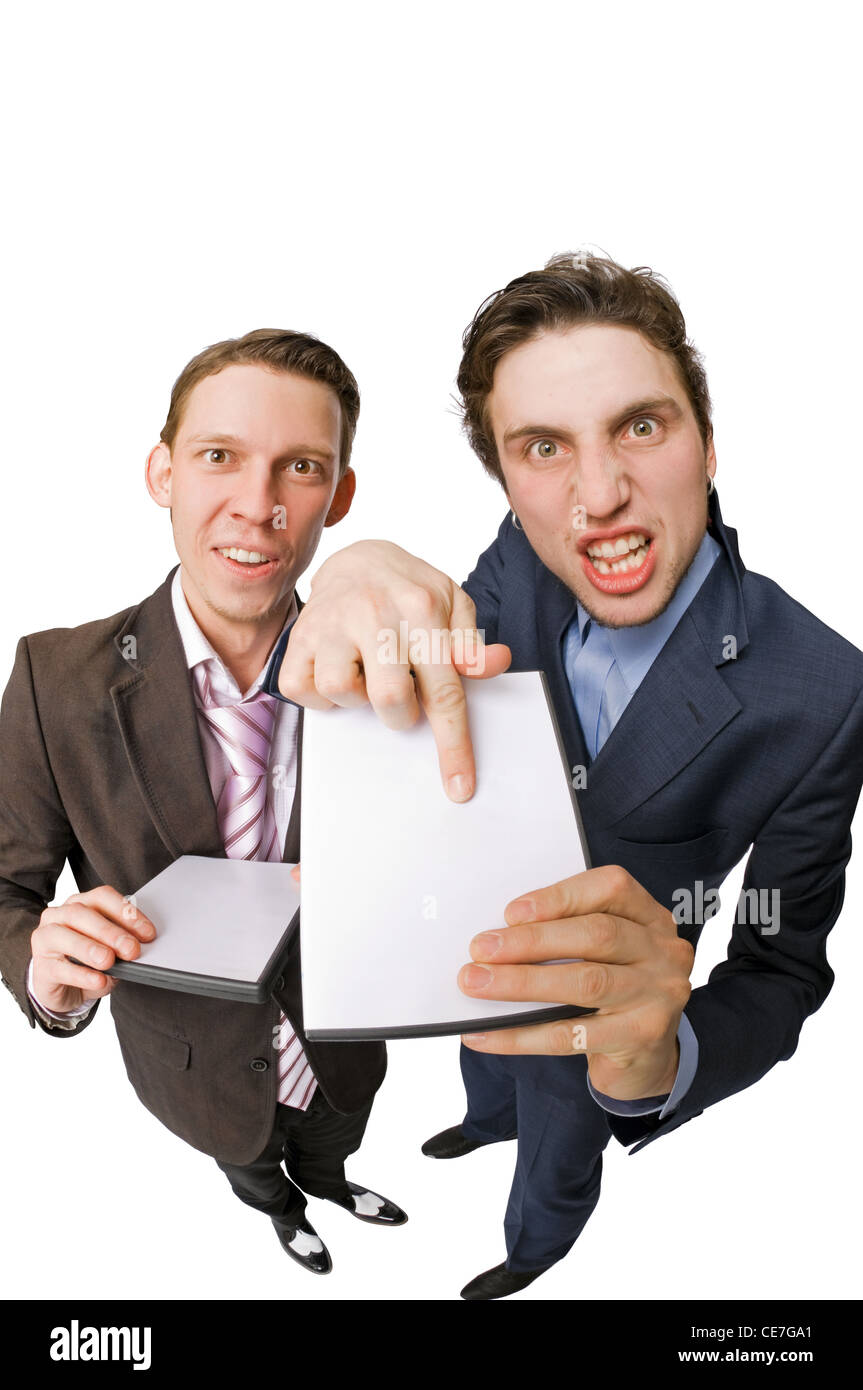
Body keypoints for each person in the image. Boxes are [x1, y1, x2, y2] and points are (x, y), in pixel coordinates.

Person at [264, 255, 863, 1299]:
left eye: (640, 425)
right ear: (505, 478)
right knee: (488, 1074)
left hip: (608, 1016)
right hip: (472, 950)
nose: (598, 497)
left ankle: (533, 1251)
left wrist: (660, 1055)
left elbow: (781, 972)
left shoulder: (823, 687)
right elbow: (433, 637)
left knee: (554, 1151)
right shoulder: (522, 553)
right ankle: (478, 1118)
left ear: (705, 442)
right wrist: (347, 581)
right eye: (544, 447)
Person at [0, 329, 406, 1278]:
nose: (257, 506)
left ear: (339, 495)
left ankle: (334, 1182)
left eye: (299, 468)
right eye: (219, 456)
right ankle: (276, 1208)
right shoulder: (54, 678)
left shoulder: (396, 675)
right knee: (252, 1163)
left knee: (332, 1140)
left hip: (346, 1040)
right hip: (189, 1065)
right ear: (163, 472)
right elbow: (5, 889)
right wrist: (43, 972)